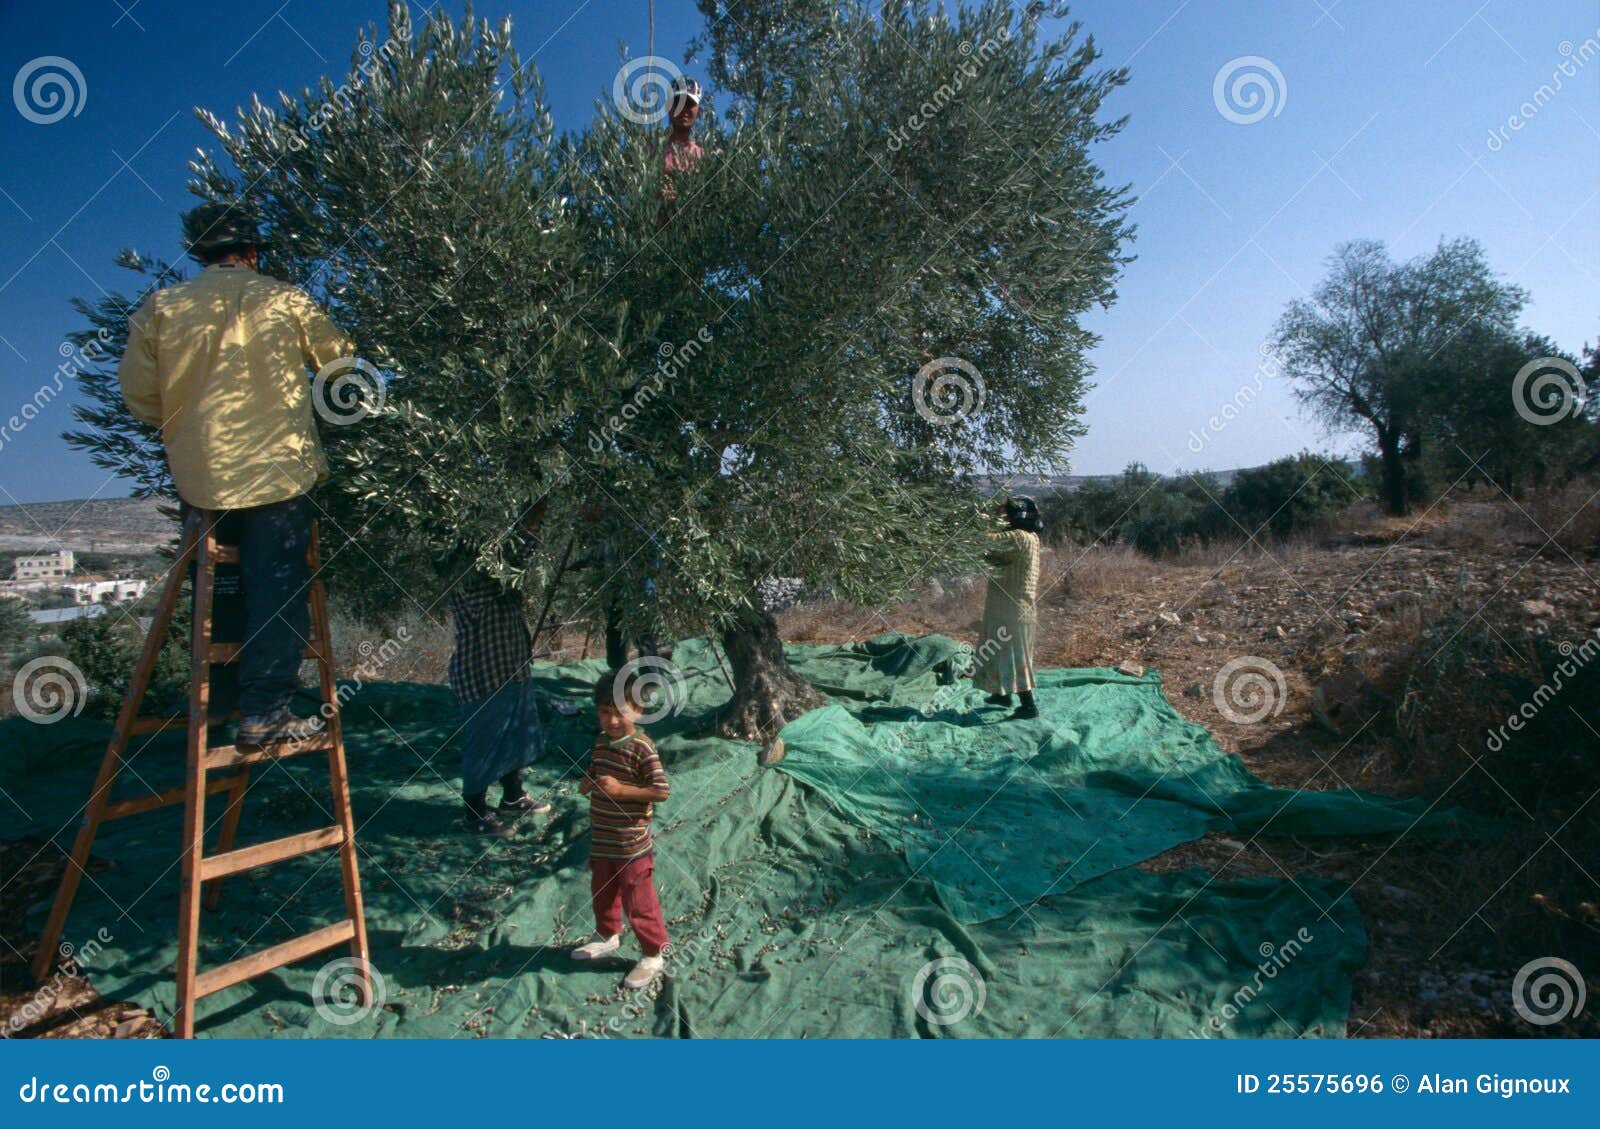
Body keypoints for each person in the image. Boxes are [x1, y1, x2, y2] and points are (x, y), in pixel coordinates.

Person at [120, 202, 354, 747]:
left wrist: (183, 424)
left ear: (199, 253)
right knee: (276, 587)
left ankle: (219, 698)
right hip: (277, 474)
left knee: (219, 584)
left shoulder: (161, 306)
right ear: (251, 253)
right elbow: (338, 359)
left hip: (201, 479)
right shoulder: (282, 297)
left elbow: (138, 396)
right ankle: (264, 710)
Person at [572, 667, 671, 990]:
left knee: (638, 899)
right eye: (604, 713)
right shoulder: (601, 742)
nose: (612, 721)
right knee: (602, 889)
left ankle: (654, 952)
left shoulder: (642, 748)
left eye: (620, 713)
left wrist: (620, 791)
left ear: (639, 710)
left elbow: (660, 791)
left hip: (631, 844)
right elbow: (594, 772)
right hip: (603, 838)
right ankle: (607, 933)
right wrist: (587, 784)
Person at [446, 561, 553, 836]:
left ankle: (513, 798)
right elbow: (516, 555)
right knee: (484, 744)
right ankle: (474, 815)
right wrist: (533, 520)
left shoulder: (496, 571)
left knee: (514, 736)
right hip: (483, 675)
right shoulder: (470, 578)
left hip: (511, 668)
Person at [973, 496, 1044, 720]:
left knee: (1016, 656)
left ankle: (1029, 706)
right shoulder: (1028, 537)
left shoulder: (1019, 537)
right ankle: (1002, 694)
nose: (1004, 518)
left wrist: (984, 518)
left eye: (1007, 514)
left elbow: (985, 541)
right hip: (1006, 607)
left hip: (1014, 609)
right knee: (997, 651)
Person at [656, 76, 704, 225]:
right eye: (678, 103)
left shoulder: (703, 156)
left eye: (689, 104)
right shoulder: (651, 150)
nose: (684, 110)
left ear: (698, 110)